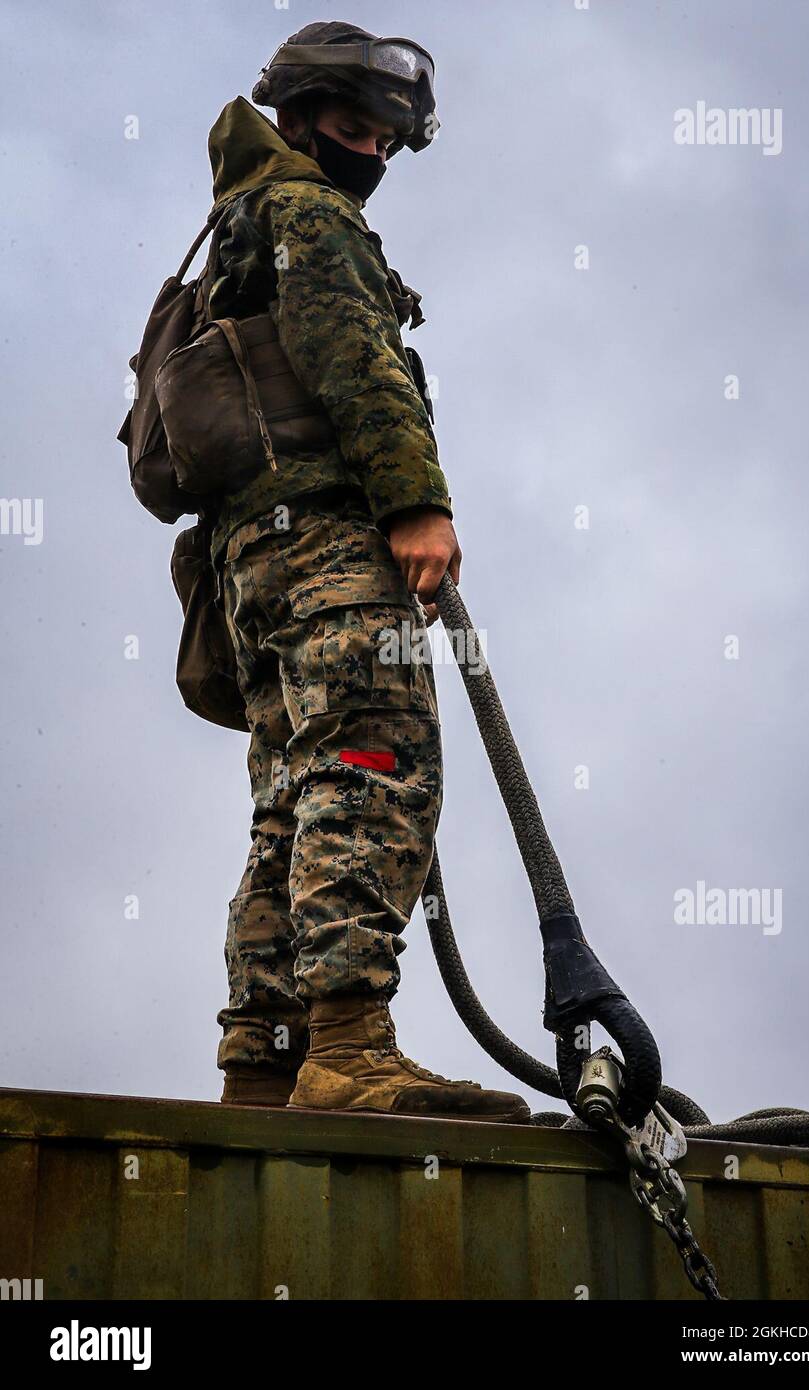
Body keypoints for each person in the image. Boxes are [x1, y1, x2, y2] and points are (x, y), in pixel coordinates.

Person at [211, 21, 529, 1123]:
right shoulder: (307, 212)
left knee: (291, 800)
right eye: (355, 129)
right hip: (329, 548)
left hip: (254, 567)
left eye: (387, 142)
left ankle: (265, 1068)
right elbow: (351, 355)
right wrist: (415, 501)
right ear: (297, 119)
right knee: (372, 758)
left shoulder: (235, 226)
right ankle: (349, 1050)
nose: (372, 155)